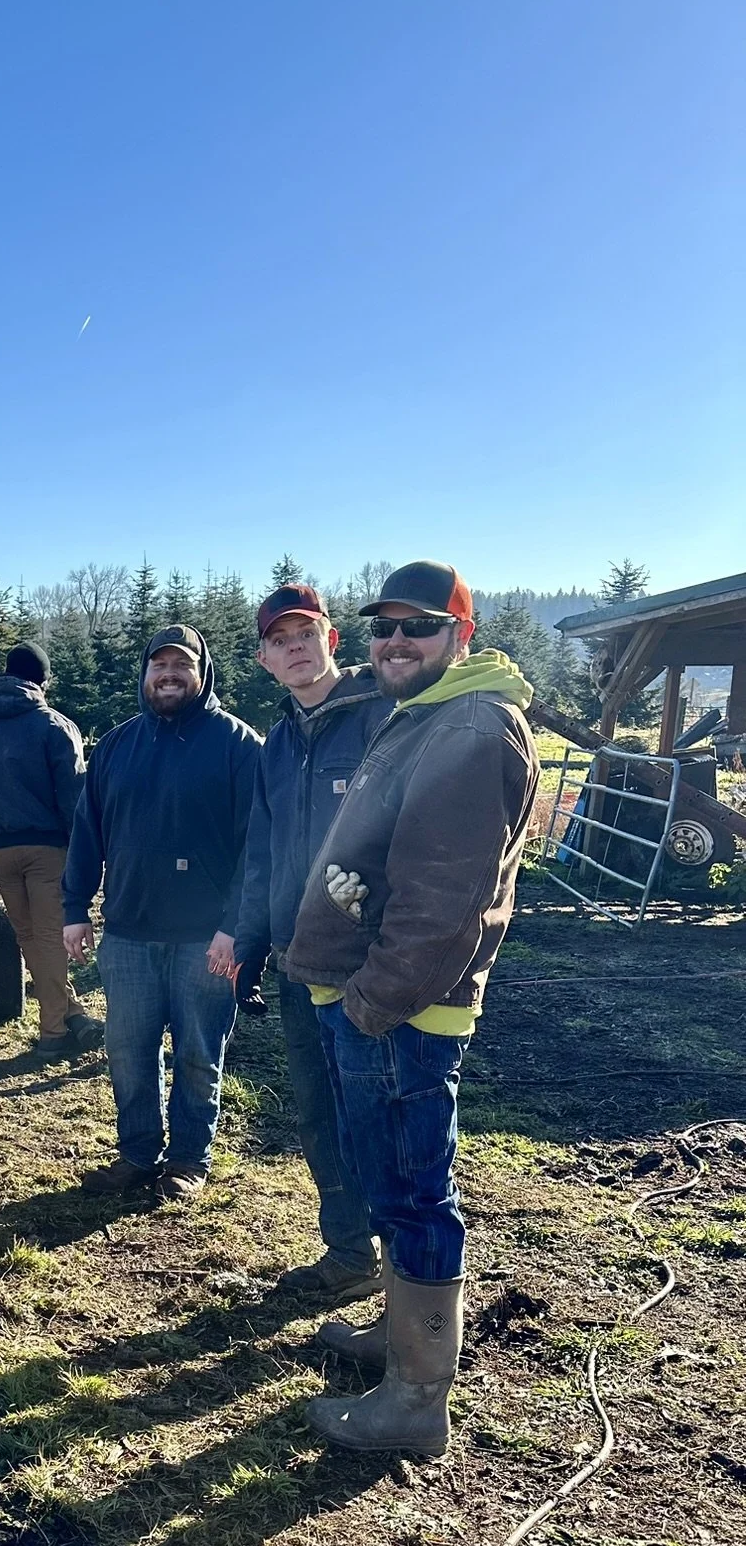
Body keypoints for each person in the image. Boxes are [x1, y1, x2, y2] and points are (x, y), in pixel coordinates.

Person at [284, 560, 537, 1456]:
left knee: (414, 1196)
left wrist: (367, 1006)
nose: (395, 642)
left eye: (419, 626)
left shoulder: (470, 724)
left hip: (398, 1019)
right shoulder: (432, 716)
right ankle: (400, 1343)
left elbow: (444, 902)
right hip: (376, 1006)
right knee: (394, 1190)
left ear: (460, 635)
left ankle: (415, 1402)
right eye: (383, 626)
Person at [230, 583, 392, 1307]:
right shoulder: (277, 742)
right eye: (280, 639)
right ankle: (350, 1251)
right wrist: (248, 942)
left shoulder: (381, 719)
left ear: (331, 637)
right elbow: (262, 852)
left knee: (380, 1107)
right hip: (298, 960)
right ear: (264, 658)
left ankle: (407, 1265)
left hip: (366, 962)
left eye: (306, 633)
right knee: (316, 1107)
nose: (295, 647)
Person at [62, 624, 261, 1201]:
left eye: (182, 665)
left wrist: (235, 927)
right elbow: (86, 833)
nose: (169, 675)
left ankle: (188, 1162)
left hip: (208, 942)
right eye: (159, 665)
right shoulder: (117, 747)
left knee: (199, 1053)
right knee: (128, 1053)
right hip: (127, 935)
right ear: (145, 673)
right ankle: (138, 1153)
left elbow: (259, 850)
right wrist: (75, 908)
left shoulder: (238, 746)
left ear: (202, 674)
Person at [0, 642, 104, 1059]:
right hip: (47, 848)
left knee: (29, 937)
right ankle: (54, 1034)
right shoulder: (55, 725)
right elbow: (74, 797)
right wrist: (84, 853)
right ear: (42, 680)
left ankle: (70, 1012)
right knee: (51, 937)